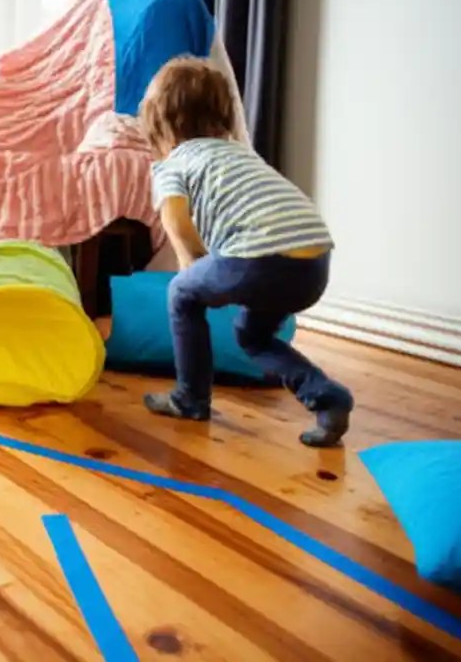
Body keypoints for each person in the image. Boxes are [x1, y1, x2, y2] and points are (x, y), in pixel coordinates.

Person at [137, 55, 353, 447]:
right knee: (252, 335)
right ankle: (328, 397)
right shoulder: (243, 155)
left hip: (258, 258)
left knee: (181, 294)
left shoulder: (173, 163)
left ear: (160, 123)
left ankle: (190, 398)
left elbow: (176, 221)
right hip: (314, 262)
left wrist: (191, 269)